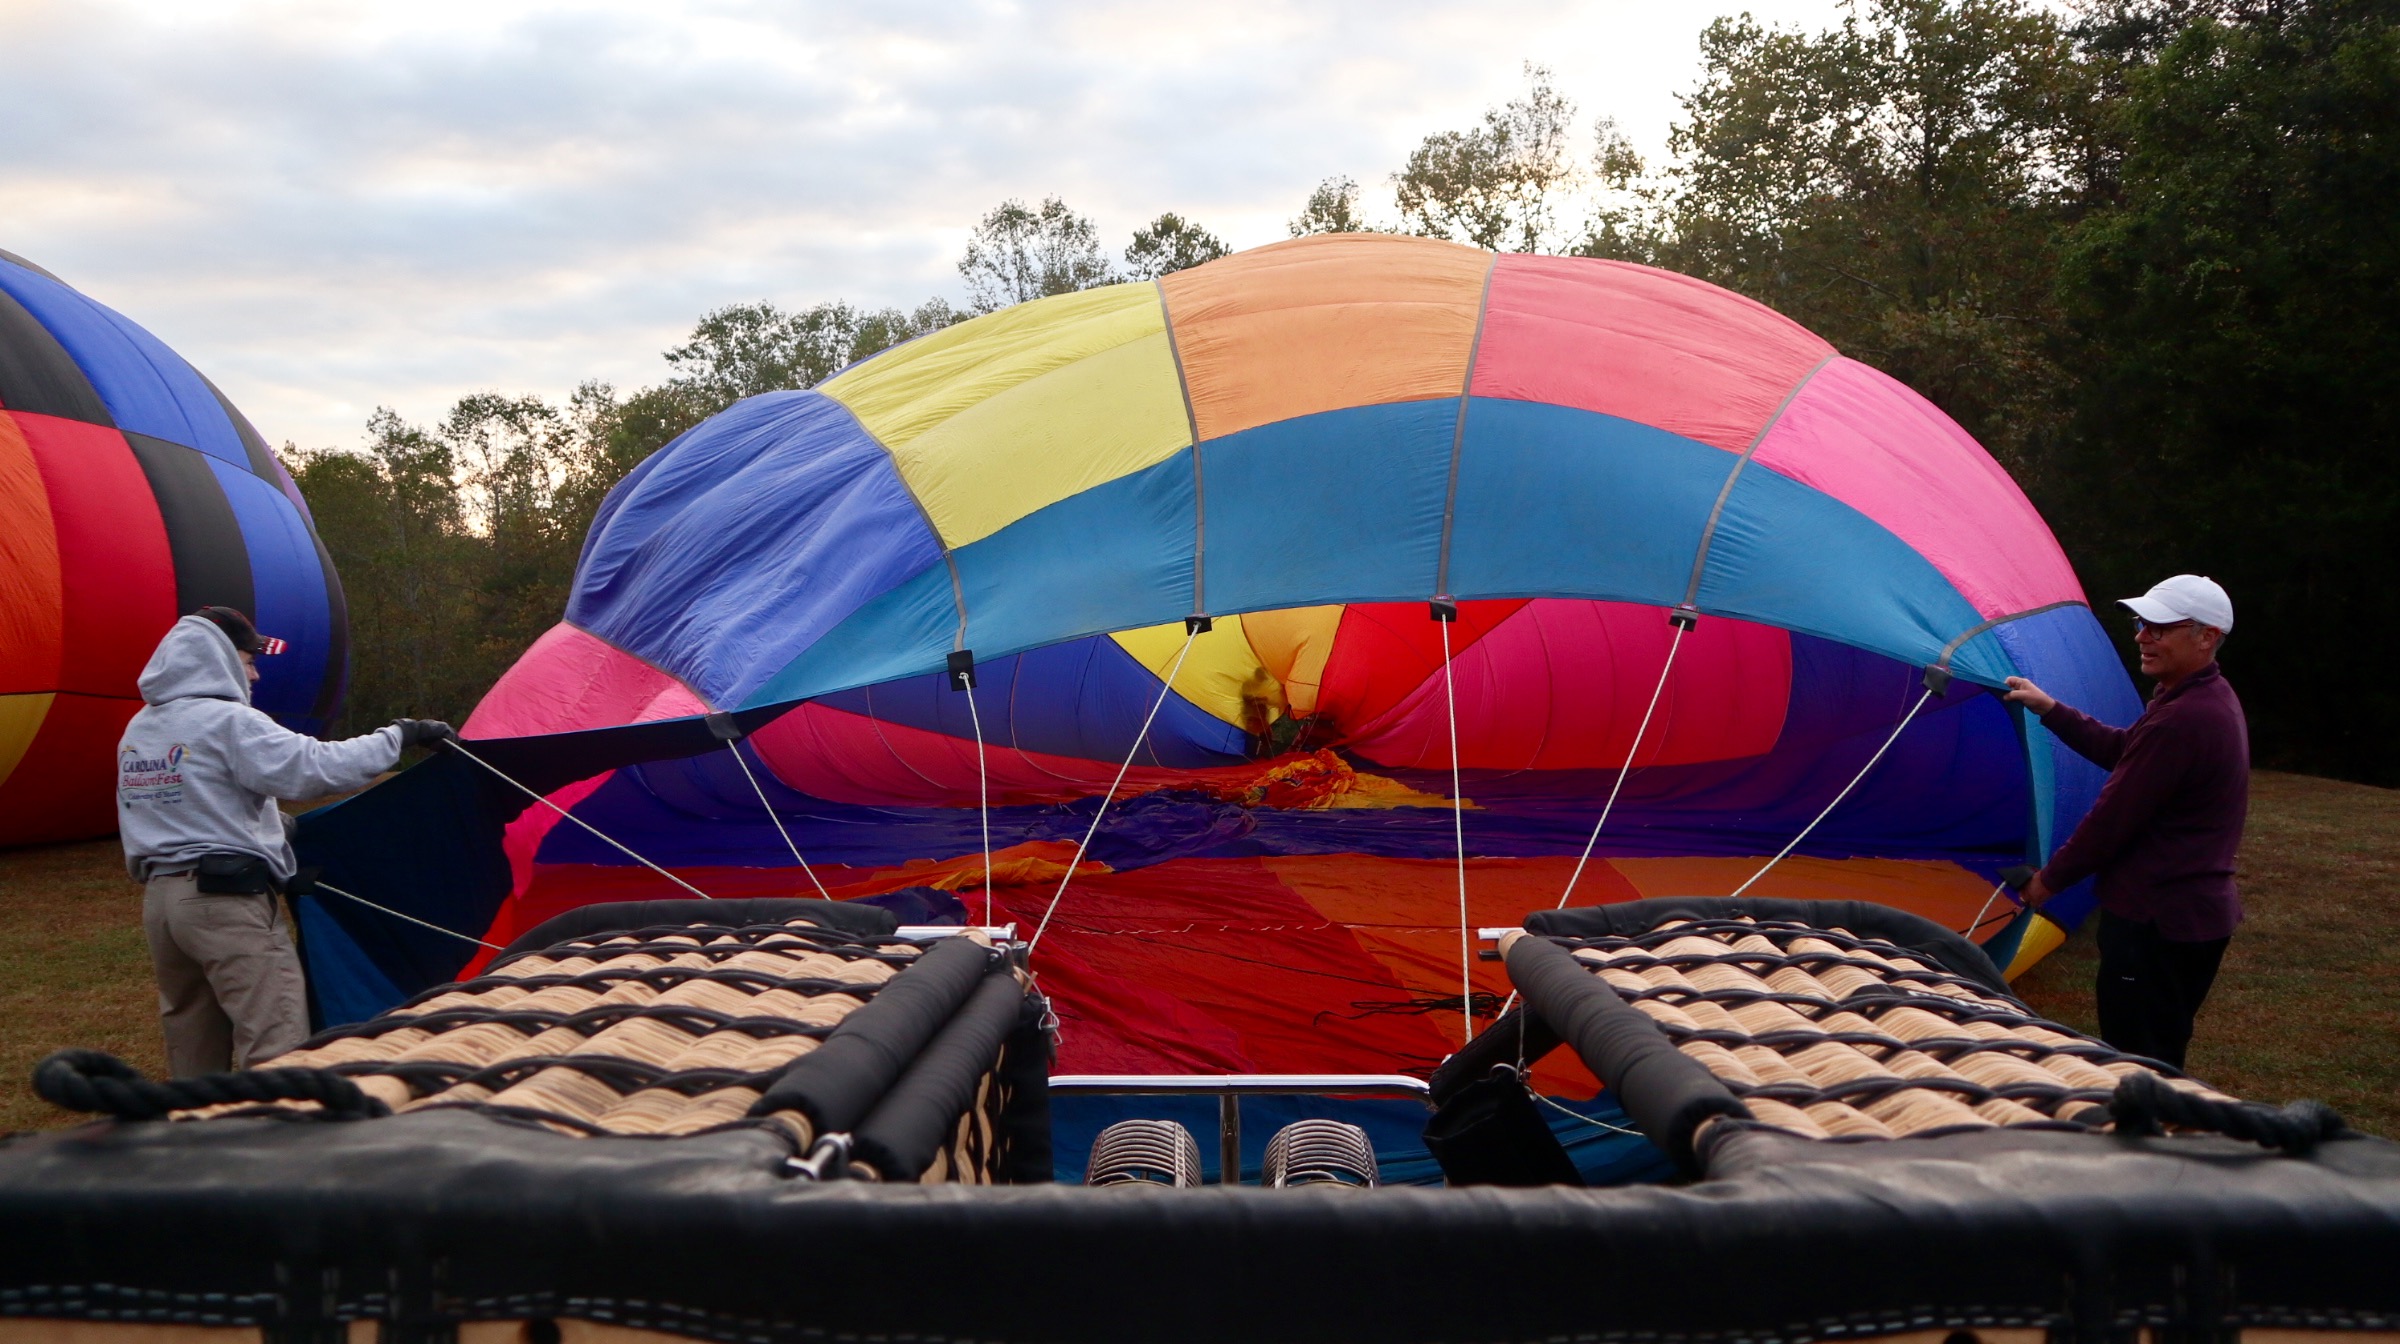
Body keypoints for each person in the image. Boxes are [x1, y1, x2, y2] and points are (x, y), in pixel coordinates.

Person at [116, 607, 455, 1077]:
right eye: (247, 660)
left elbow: (190, 803)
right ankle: (279, 1118)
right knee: (274, 1035)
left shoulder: (142, 728)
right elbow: (314, 768)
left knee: (193, 1037)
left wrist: (273, 829)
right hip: (224, 904)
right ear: (216, 658)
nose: (255, 674)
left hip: (163, 906)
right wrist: (399, 736)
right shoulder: (228, 721)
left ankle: (192, 1117)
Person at [2001, 575, 2247, 1070]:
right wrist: (2050, 709)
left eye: (2160, 627)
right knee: (2155, 1050)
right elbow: (2126, 750)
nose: (2142, 636)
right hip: (2184, 916)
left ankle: (2150, 1119)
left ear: (2207, 636)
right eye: (2141, 624)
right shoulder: (2195, 698)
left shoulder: (2184, 719)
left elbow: (2112, 820)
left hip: (2158, 921)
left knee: (2140, 1061)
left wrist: (2047, 883)